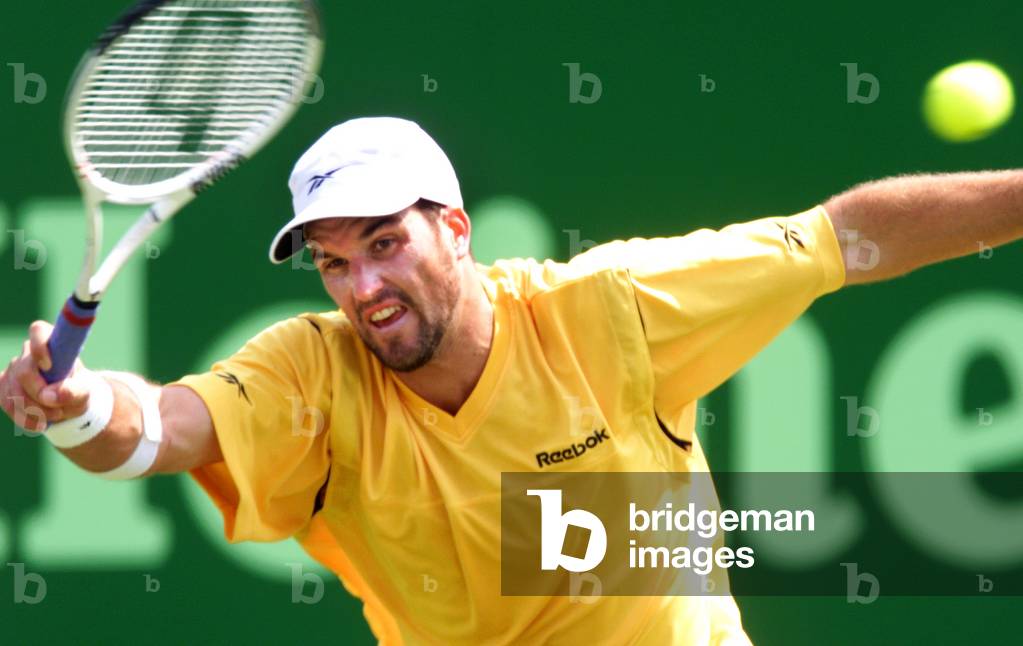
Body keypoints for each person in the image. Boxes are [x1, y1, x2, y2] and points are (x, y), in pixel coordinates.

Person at [2, 116, 1021, 644]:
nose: (366, 286)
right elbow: (161, 429)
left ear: (455, 226)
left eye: (386, 242)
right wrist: (77, 405)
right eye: (334, 261)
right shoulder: (310, 369)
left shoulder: (608, 311)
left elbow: (841, 236)